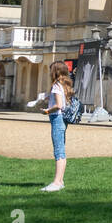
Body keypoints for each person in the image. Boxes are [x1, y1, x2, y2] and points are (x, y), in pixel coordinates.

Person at [41, 61, 73, 191]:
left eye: (51, 70)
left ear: (55, 72)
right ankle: (60, 180)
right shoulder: (64, 85)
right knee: (61, 150)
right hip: (62, 119)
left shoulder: (56, 86)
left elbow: (59, 106)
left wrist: (47, 111)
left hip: (57, 118)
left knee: (59, 151)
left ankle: (56, 182)